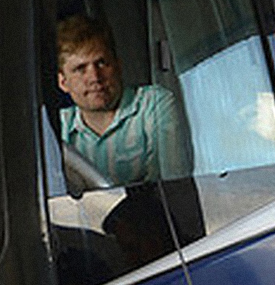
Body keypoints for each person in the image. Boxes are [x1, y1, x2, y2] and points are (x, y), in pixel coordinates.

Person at [56, 15, 192, 185]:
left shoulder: (154, 105)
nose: (94, 77)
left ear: (118, 66)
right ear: (63, 82)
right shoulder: (57, 128)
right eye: (80, 69)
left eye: (101, 63)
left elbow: (170, 185)